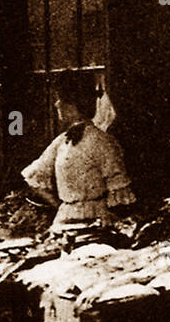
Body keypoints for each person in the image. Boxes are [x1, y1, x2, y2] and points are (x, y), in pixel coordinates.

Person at [22, 71, 135, 236]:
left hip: (96, 221)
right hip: (65, 220)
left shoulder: (102, 142)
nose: (56, 104)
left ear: (73, 104)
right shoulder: (61, 141)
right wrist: (63, 205)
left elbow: (120, 191)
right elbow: (33, 178)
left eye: (59, 99)